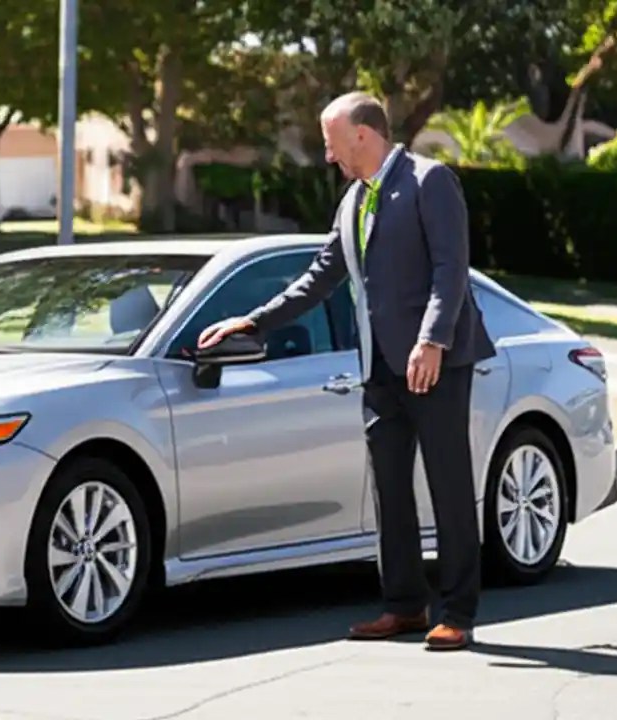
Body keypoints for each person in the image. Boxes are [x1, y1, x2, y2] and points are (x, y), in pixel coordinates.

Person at [198, 91, 496, 651]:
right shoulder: (353, 202)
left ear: (363, 133)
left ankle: (457, 610)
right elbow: (320, 276)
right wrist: (252, 321)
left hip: (434, 363)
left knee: (449, 485)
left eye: (332, 142)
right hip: (379, 368)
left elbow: (450, 268)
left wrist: (433, 339)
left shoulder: (430, 182)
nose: (328, 155)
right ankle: (405, 605)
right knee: (389, 488)